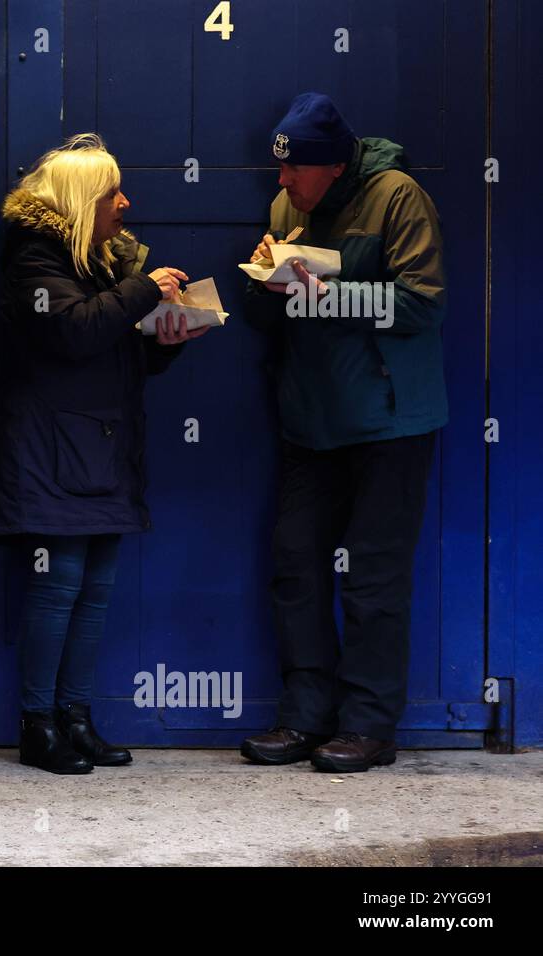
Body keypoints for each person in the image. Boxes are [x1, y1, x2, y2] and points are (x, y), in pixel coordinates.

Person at [0, 133, 207, 775]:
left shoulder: (103, 258)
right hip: (50, 450)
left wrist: (168, 337)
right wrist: (145, 291)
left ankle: (77, 719)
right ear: (85, 200)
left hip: (103, 445)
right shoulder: (34, 259)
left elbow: (118, 345)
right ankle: (38, 726)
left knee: (97, 589)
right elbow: (74, 330)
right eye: (114, 193)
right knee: (58, 588)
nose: (126, 204)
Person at [240, 93, 447, 773]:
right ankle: (304, 718)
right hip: (311, 420)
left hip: (391, 421)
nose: (282, 183)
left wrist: (334, 294)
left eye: (294, 170)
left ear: (331, 167)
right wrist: (263, 288)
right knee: (296, 568)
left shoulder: (398, 196)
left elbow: (422, 302)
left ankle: (367, 726)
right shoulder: (284, 211)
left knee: (372, 581)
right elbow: (269, 314)